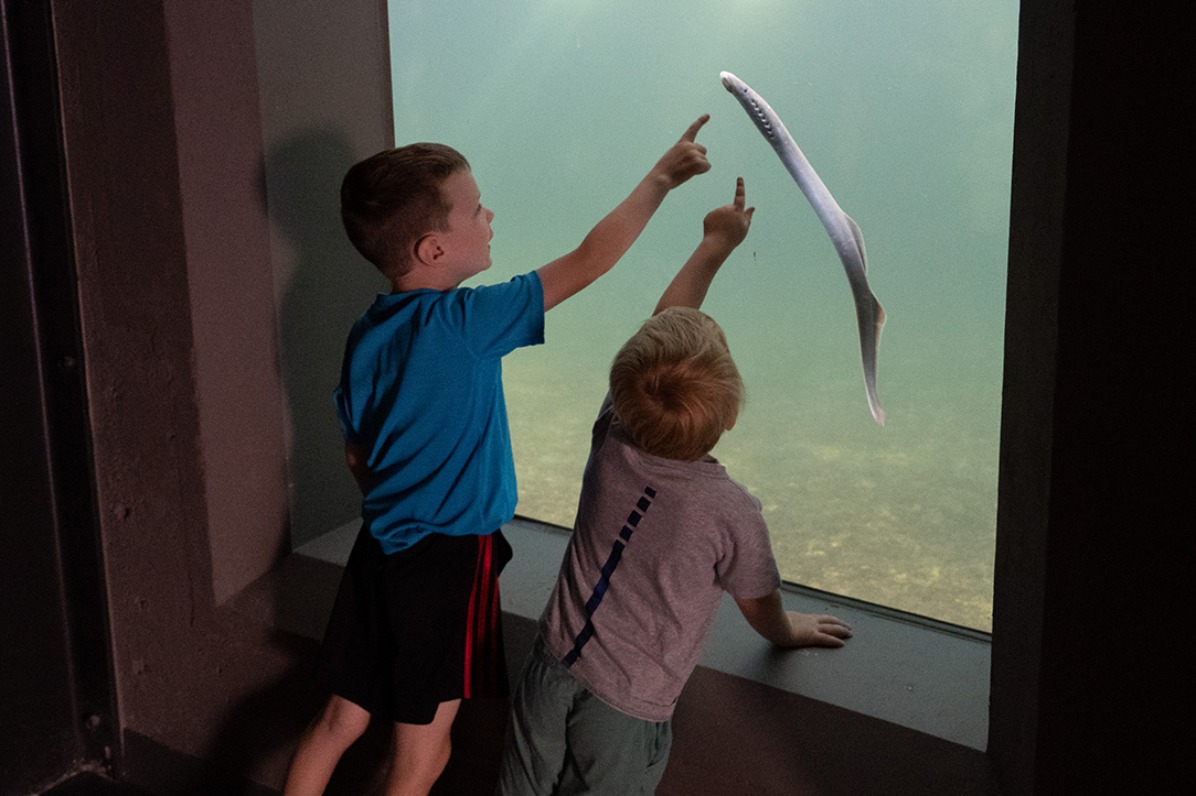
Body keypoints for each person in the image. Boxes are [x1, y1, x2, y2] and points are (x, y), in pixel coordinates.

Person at [282, 115, 715, 796]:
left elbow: (356, 456)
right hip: (447, 562)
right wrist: (659, 181)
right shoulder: (466, 325)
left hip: (380, 550)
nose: (490, 215)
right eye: (474, 208)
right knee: (421, 758)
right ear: (432, 248)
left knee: (338, 721)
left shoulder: (367, 332)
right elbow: (590, 260)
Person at [496, 177, 854, 796]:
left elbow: (664, 324)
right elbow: (759, 600)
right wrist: (788, 631)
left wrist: (713, 244)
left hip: (551, 664)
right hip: (627, 706)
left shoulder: (615, 437)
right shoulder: (729, 511)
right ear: (730, 417)